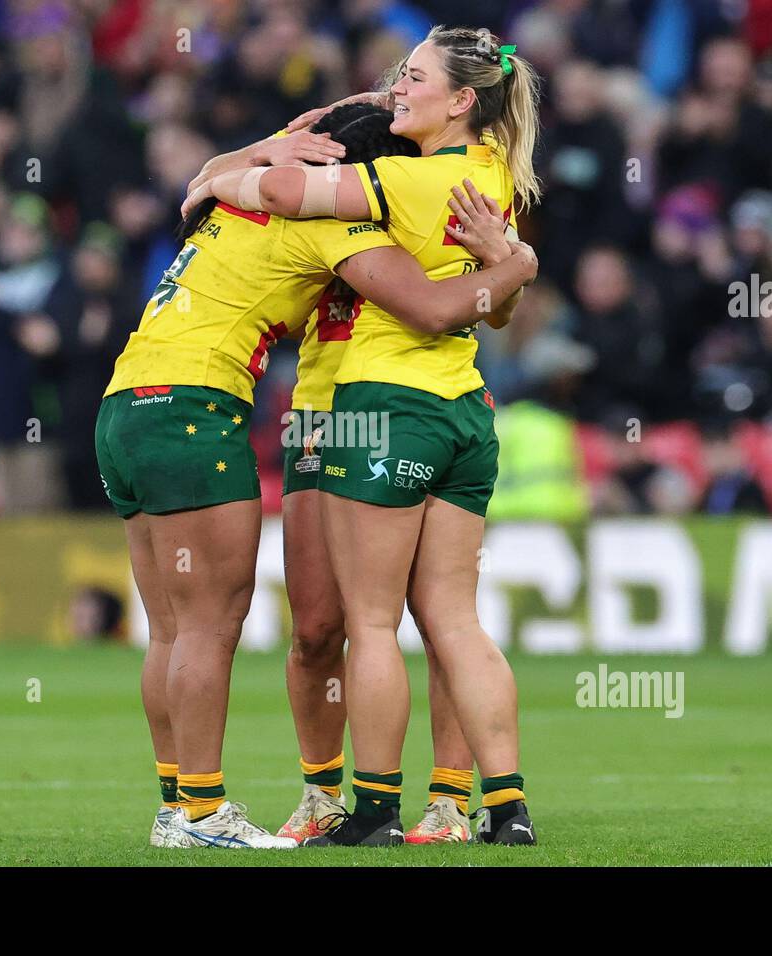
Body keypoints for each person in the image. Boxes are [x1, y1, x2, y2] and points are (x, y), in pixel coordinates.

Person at [97, 101, 536, 849]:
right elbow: (435, 302)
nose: (402, 94)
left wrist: (257, 154)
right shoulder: (339, 216)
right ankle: (254, 805)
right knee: (307, 628)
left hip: (149, 401)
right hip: (255, 406)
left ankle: (436, 800)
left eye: (415, 81)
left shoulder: (429, 184)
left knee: (199, 628)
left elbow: (206, 183)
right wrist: (519, 263)